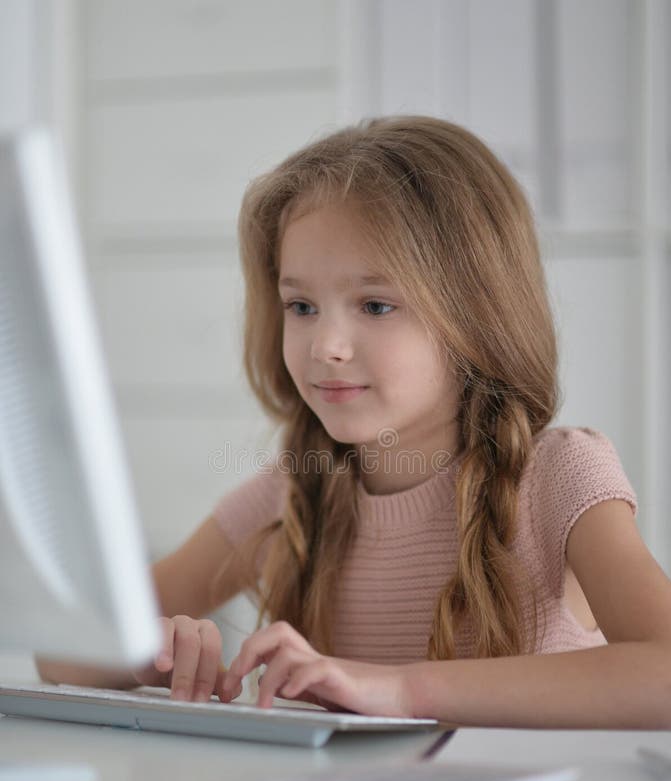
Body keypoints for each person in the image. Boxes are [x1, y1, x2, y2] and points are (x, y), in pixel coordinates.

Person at [37, 115, 671, 727]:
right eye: (302, 305)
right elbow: (60, 649)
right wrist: (146, 652)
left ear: (477, 315)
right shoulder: (291, 492)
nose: (326, 346)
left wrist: (403, 688)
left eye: (375, 304)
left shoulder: (559, 475)